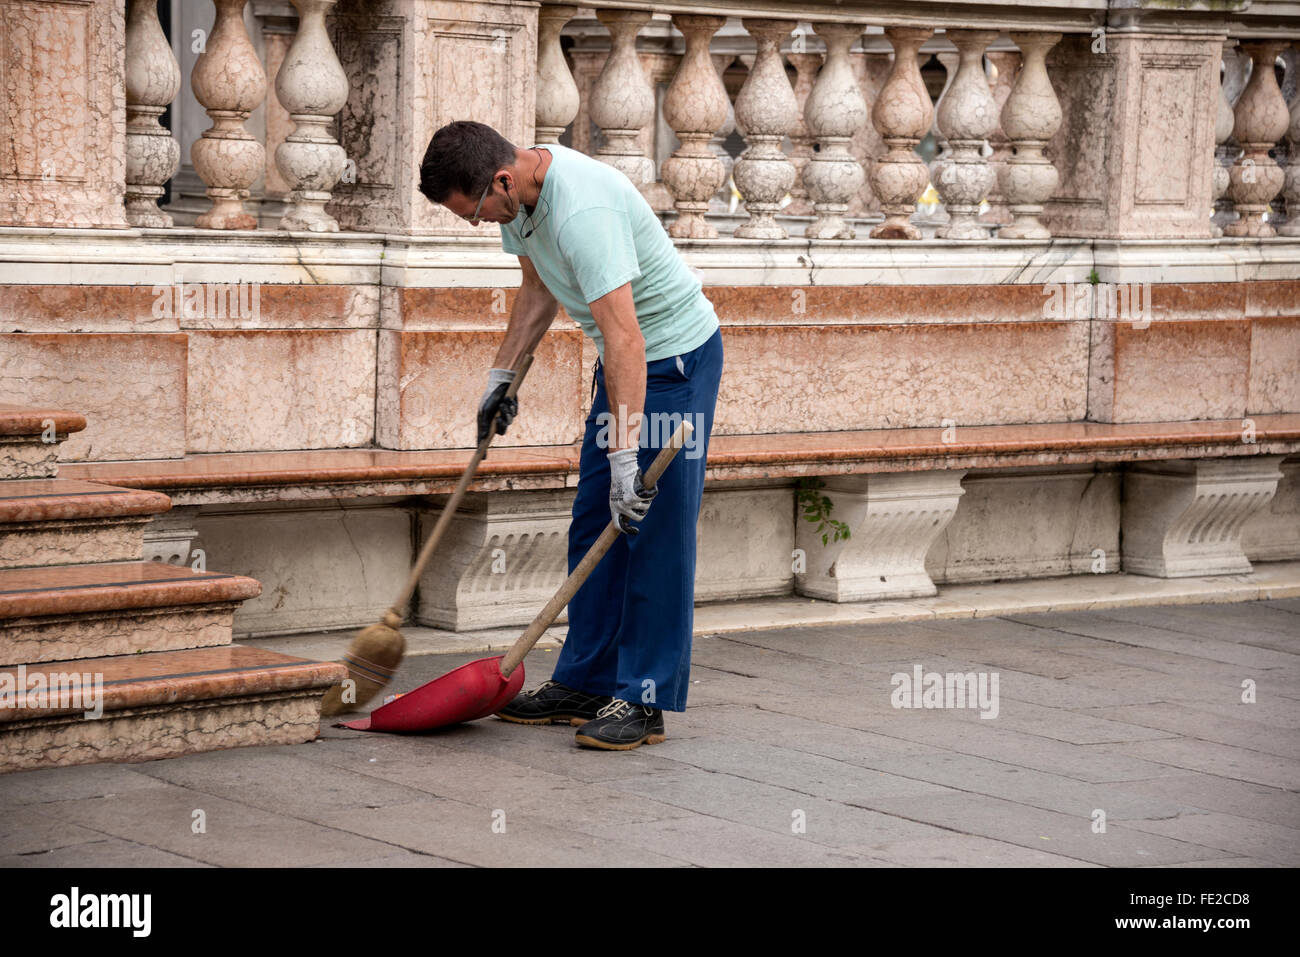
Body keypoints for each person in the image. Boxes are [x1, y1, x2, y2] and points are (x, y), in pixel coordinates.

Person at [418, 121, 723, 750]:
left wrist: (625, 457)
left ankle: (643, 698)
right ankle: (586, 681)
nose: (478, 224)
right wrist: (502, 378)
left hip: (672, 361)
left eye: (475, 213)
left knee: (649, 526)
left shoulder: (583, 209)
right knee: (594, 519)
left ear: (502, 180)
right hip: (626, 363)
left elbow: (626, 337)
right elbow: (538, 291)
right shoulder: (520, 197)